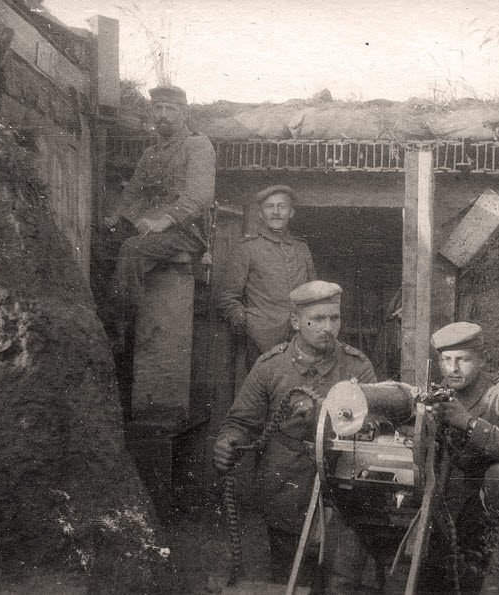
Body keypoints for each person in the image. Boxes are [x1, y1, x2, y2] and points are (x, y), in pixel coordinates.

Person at [328, 321, 499, 594]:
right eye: (446, 360)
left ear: (481, 360)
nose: (453, 369)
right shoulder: (434, 395)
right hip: (438, 506)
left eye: (463, 359)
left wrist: (470, 423)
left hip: (480, 508)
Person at [213, 280, 377, 583]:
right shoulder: (270, 367)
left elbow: (376, 429)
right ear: (296, 321)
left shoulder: (357, 366)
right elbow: (240, 423)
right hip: (286, 484)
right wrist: (228, 442)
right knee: (290, 575)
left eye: (335, 318)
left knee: (340, 577)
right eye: (318, 319)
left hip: (342, 484)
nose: (328, 327)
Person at [104, 84, 216, 348]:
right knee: (100, 244)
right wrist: (115, 217)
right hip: (151, 229)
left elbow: (199, 195)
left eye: (170, 109)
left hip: (184, 232)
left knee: (132, 249)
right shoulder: (150, 153)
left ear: (184, 114)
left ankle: (116, 331)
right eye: (158, 108)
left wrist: (163, 221)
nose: (163, 114)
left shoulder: (198, 146)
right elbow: (132, 193)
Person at [216, 185, 316, 368]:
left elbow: (313, 293)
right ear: (261, 214)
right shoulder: (247, 248)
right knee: (264, 394)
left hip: (301, 339)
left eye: (282, 207)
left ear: (291, 212)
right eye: (270, 207)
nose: (276, 212)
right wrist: (249, 326)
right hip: (261, 343)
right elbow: (228, 297)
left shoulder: (301, 249)